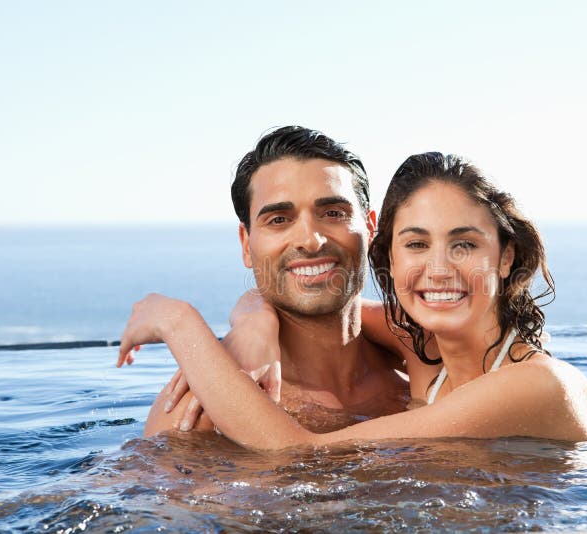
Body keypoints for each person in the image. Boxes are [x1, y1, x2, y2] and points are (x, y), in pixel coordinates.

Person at [121, 151, 587, 449]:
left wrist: (179, 321)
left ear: (505, 256)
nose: (438, 270)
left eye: (464, 244)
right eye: (416, 244)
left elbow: (295, 450)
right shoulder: (420, 343)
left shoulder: (537, 384)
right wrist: (252, 320)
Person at [141, 125, 409, 436]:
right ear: (246, 244)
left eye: (334, 213)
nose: (310, 240)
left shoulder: (426, 366)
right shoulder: (201, 410)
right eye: (279, 220)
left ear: (371, 229)